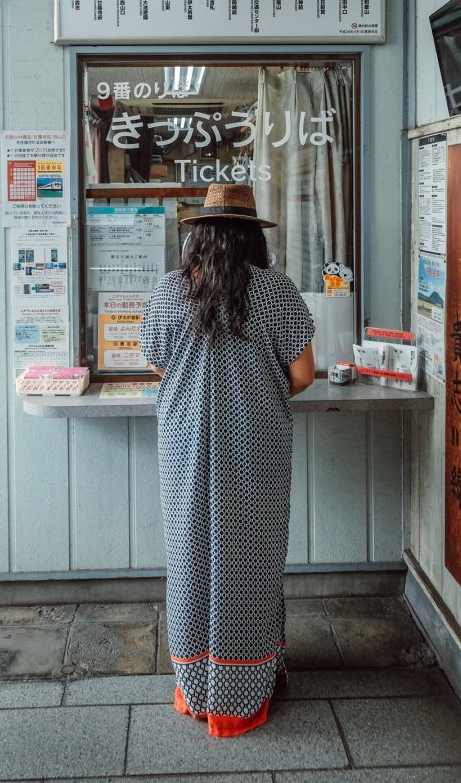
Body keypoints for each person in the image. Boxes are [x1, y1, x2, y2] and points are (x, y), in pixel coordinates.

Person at [140, 183, 315, 737]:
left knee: (191, 555)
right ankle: (247, 684)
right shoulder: (277, 291)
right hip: (255, 444)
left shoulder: (171, 291)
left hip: (186, 446)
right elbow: (304, 374)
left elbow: (155, 363)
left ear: (198, 236)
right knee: (252, 561)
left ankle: (195, 685)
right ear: (251, 238)